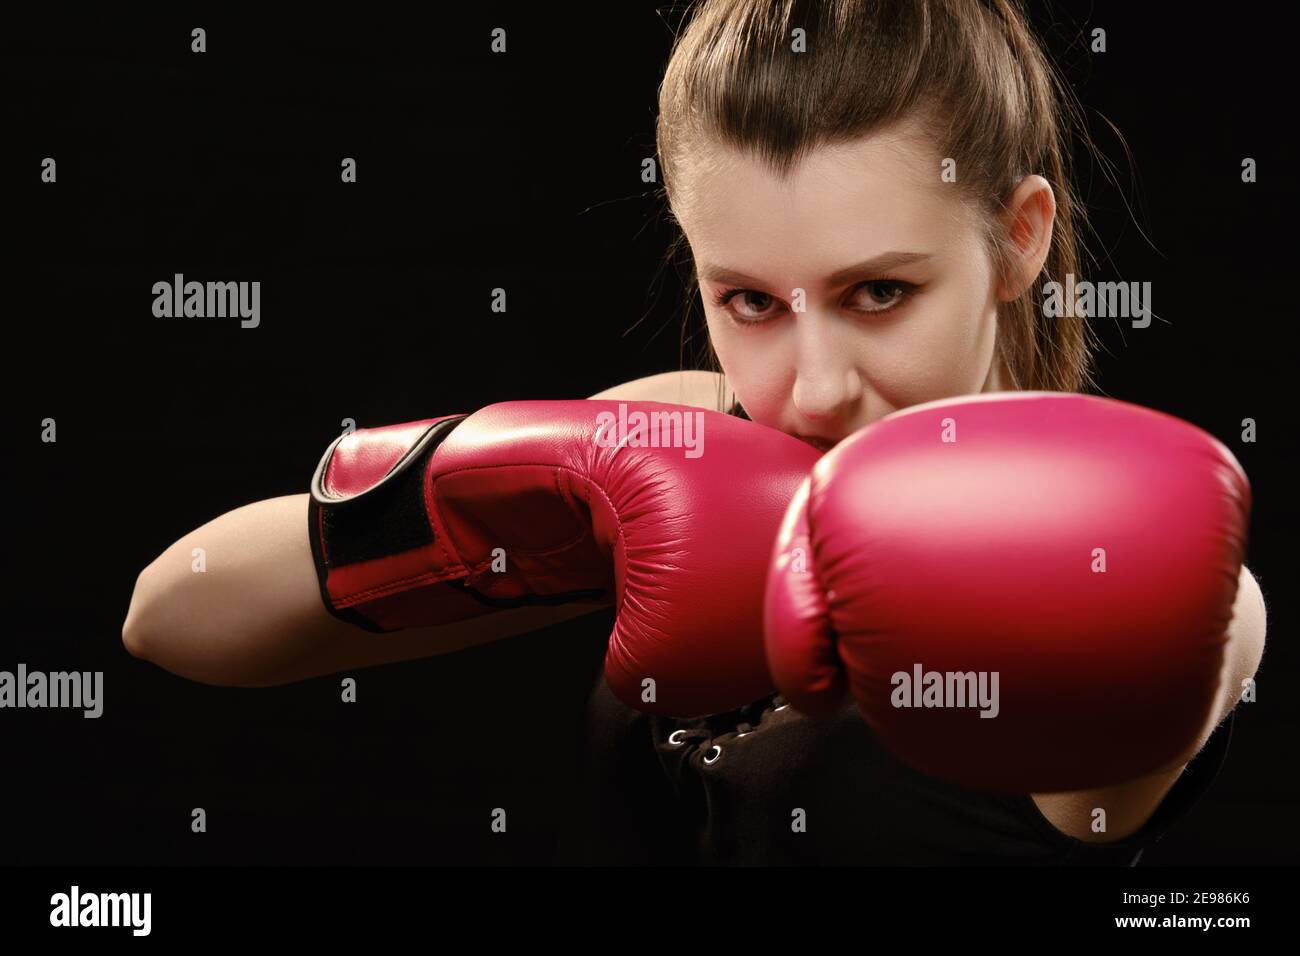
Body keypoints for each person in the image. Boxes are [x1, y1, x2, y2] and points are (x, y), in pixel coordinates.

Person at [121, 0, 1267, 865]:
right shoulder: (679, 435)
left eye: (879, 292)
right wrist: (514, 486)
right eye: (751, 301)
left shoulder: (1126, 560)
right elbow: (173, 617)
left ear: (1016, 239)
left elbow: (1127, 737)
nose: (812, 388)